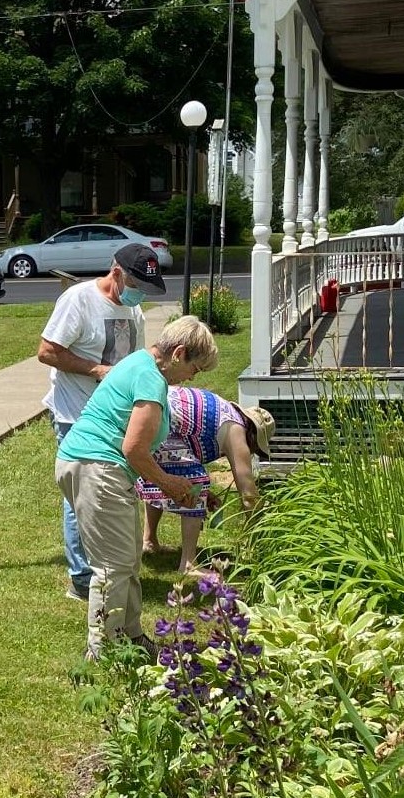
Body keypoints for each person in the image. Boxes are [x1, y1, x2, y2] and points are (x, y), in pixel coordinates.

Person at [55, 316, 214, 659]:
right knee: (111, 566)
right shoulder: (150, 379)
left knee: (125, 560)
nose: (192, 377)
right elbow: (134, 449)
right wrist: (169, 484)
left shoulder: (141, 364)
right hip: (98, 469)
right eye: (195, 368)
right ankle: (104, 652)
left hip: (90, 464)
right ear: (179, 354)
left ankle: (132, 637)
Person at [37, 242, 164, 600]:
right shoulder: (79, 300)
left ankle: (106, 566)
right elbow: (47, 351)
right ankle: (82, 579)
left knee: (109, 490)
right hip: (75, 413)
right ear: (117, 273)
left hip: (112, 417)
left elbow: (136, 362)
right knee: (80, 498)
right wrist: (97, 369)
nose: (140, 294)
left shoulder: (133, 310)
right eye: (137, 285)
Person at [138, 389, 274, 572]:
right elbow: (249, 496)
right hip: (162, 421)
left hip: (150, 413)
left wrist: (206, 494)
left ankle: (149, 541)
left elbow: (182, 452)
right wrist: (260, 537)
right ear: (253, 436)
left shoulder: (225, 414)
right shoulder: (237, 430)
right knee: (194, 483)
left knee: (163, 477)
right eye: (255, 449)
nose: (251, 453)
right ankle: (188, 564)